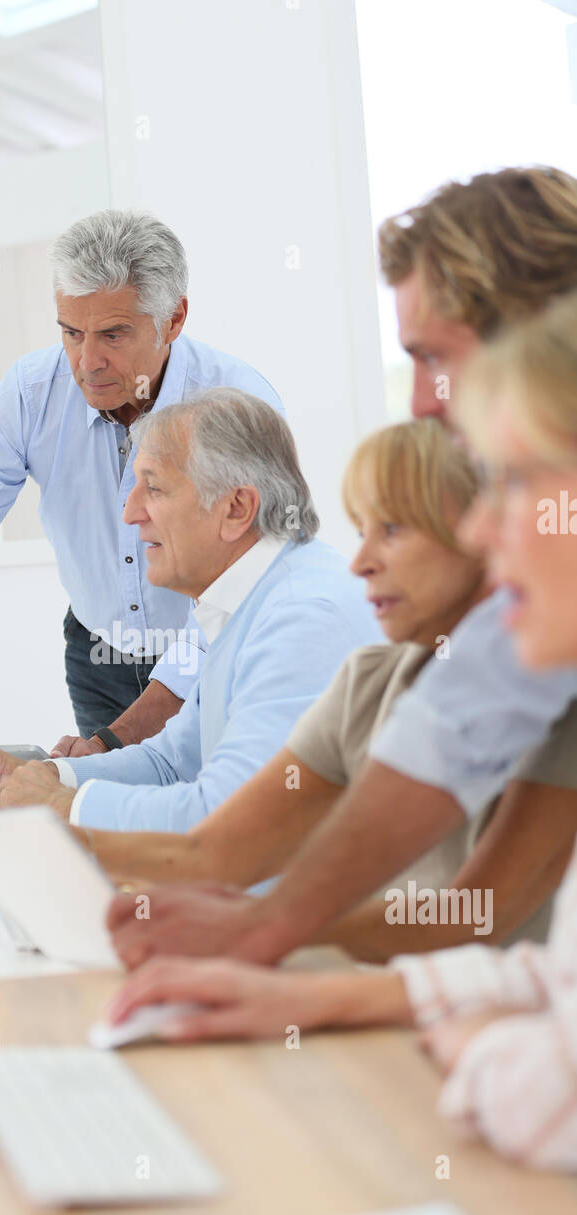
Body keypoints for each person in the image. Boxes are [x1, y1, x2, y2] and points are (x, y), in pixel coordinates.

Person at [100, 291, 577, 1172]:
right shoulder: (386, 674)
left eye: (511, 484)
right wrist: (304, 977)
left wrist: (299, 949)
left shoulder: (318, 614)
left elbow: (545, 1087)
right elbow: (544, 982)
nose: (359, 561)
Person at [104, 166, 577, 962]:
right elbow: (451, 731)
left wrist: (274, 948)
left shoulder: (310, 609)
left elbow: (485, 906)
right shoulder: (521, 584)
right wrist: (265, 938)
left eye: (433, 357)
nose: (424, 401)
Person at [45, 417, 577, 961]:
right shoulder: (368, 681)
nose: (361, 563)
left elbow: (474, 919)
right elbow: (224, 846)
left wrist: (58, 814)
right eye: (363, 529)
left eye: (392, 529)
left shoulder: (311, 616)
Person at [0, 209, 284, 753]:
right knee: (112, 829)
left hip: (218, 647)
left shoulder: (237, 403)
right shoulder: (33, 392)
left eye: (113, 335)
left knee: (216, 817)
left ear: (173, 319)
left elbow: (240, 596)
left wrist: (113, 743)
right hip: (98, 654)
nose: (87, 361)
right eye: (71, 333)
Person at [0, 390, 378, 833]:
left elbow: (233, 815)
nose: (130, 512)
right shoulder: (244, 602)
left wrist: (64, 805)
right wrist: (47, 775)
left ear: (237, 509)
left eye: (153, 487)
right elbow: (170, 762)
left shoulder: (304, 619)